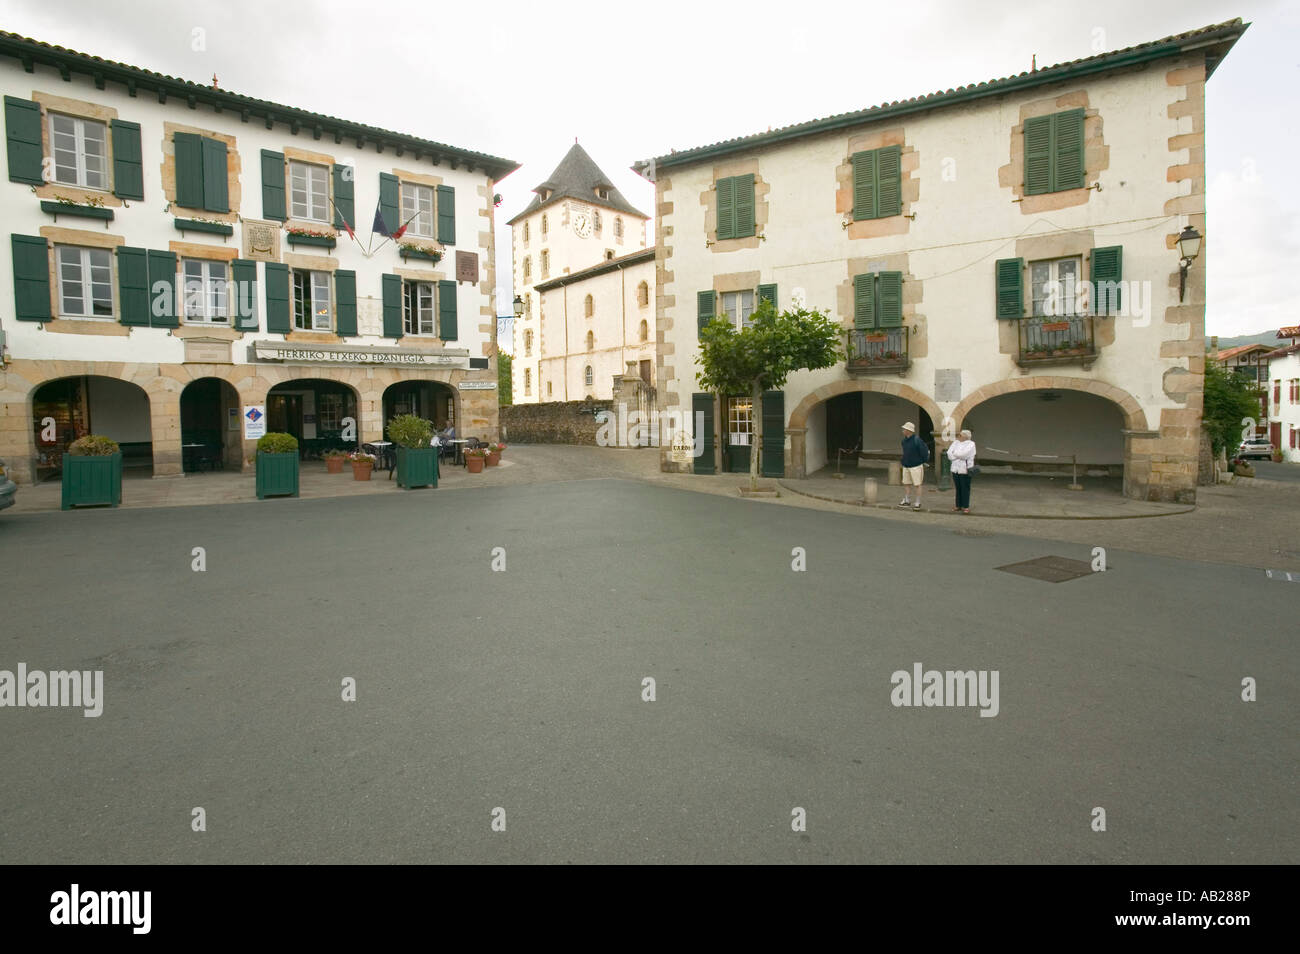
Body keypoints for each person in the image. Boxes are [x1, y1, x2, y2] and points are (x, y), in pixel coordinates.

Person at [898, 422, 930, 510]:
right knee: (906, 483)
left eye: (904, 429)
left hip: (916, 466)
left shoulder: (917, 440)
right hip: (906, 465)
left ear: (909, 431)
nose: (903, 431)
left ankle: (918, 502)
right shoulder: (904, 441)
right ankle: (907, 500)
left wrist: (921, 461)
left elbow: (924, 453)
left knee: (917, 484)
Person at [947, 429, 977, 514]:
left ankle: (965, 506)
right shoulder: (955, 442)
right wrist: (957, 455)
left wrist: (955, 454)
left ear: (965, 436)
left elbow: (964, 455)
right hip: (955, 469)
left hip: (965, 469)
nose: (958, 436)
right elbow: (949, 454)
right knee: (958, 488)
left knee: (965, 488)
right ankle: (958, 505)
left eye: (960, 435)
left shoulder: (971, 444)